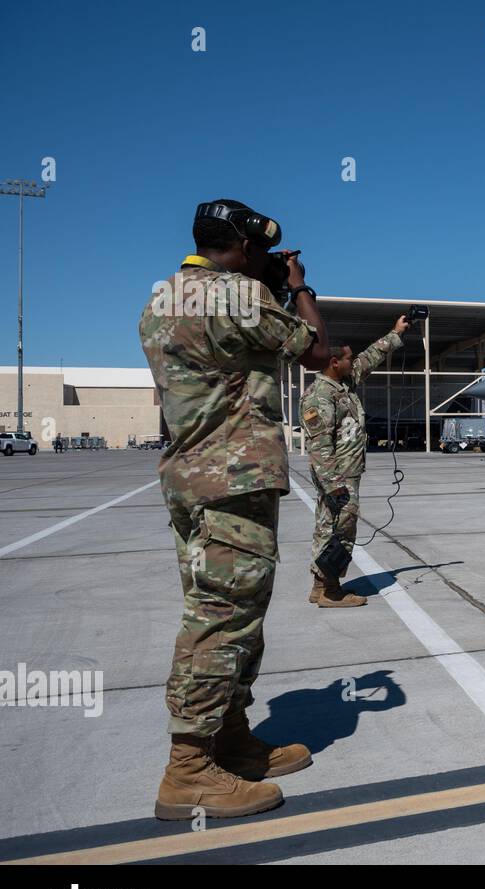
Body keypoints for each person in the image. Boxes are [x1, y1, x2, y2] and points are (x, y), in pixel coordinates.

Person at [139, 199, 330, 820]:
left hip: (190, 479)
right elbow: (313, 347)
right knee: (222, 618)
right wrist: (295, 287)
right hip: (233, 477)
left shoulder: (162, 298)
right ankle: (188, 768)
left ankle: (231, 741)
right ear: (244, 249)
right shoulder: (240, 298)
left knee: (228, 610)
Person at [301, 317, 408, 607]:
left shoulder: (343, 383)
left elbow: (369, 357)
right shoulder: (320, 397)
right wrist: (334, 485)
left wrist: (396, 333)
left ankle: (320, 585)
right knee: (338, 530)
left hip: (346, 474)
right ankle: (330, 591)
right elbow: (319, 446)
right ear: (335, 362)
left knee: (330, 527)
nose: (354, 361)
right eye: (348, 358)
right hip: (337, 477)